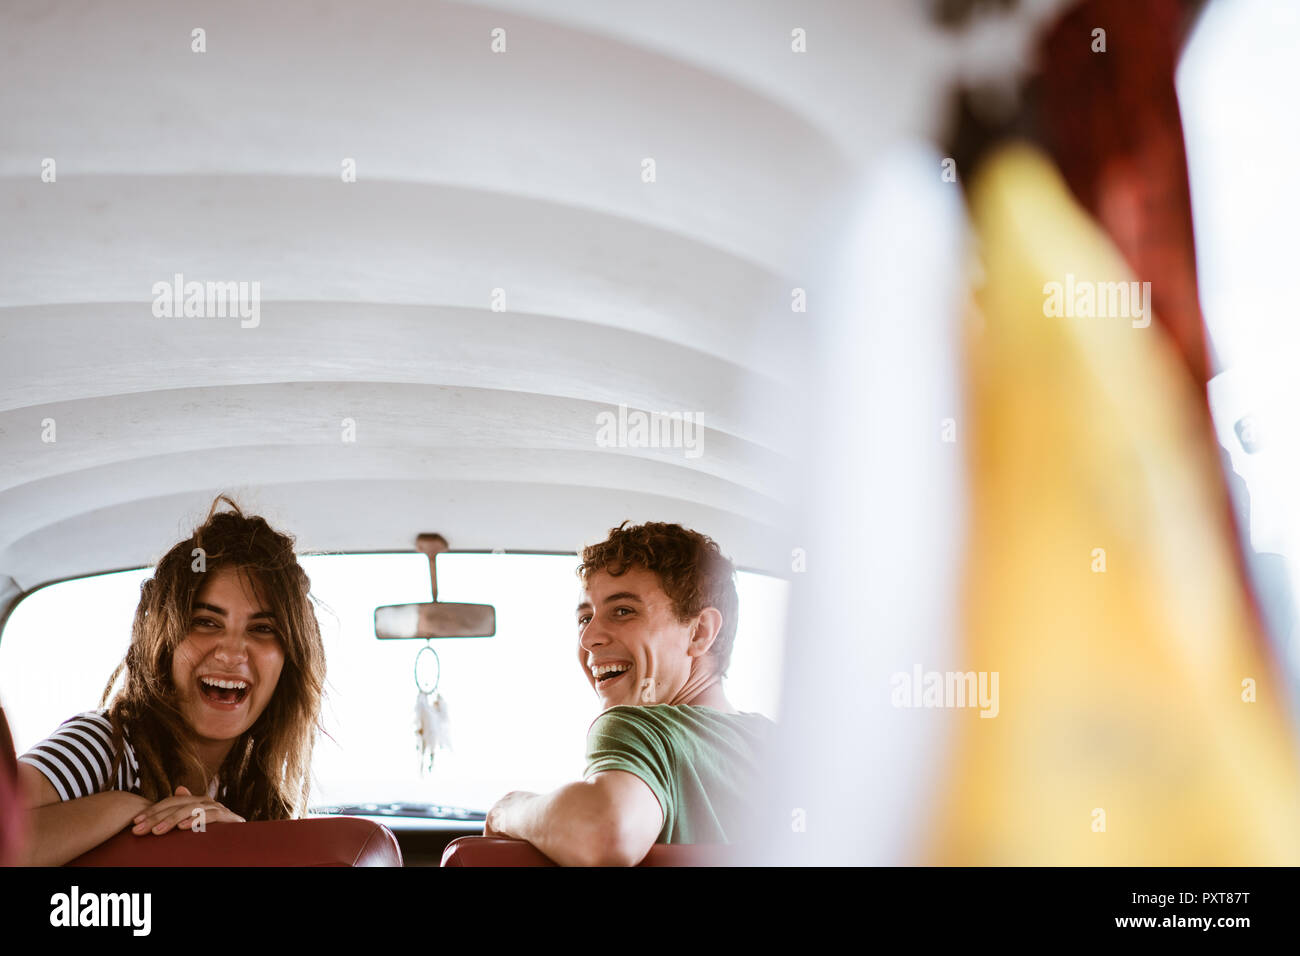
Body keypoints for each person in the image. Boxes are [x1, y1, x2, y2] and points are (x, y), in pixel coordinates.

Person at [14, 496, 326, 865]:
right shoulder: (104, 746)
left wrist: (237, 843)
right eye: (205, 622)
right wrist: (129, 809)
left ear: (288, 660)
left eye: (261, 629)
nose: (231, 653)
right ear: (164, 642)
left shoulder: (249, 796)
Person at [484, 521, 774, 865]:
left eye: (623, 611)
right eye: (585, 618)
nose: (588, 638)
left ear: (699, 632)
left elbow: (605, 834)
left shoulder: (640, 728)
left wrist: (508, 810)